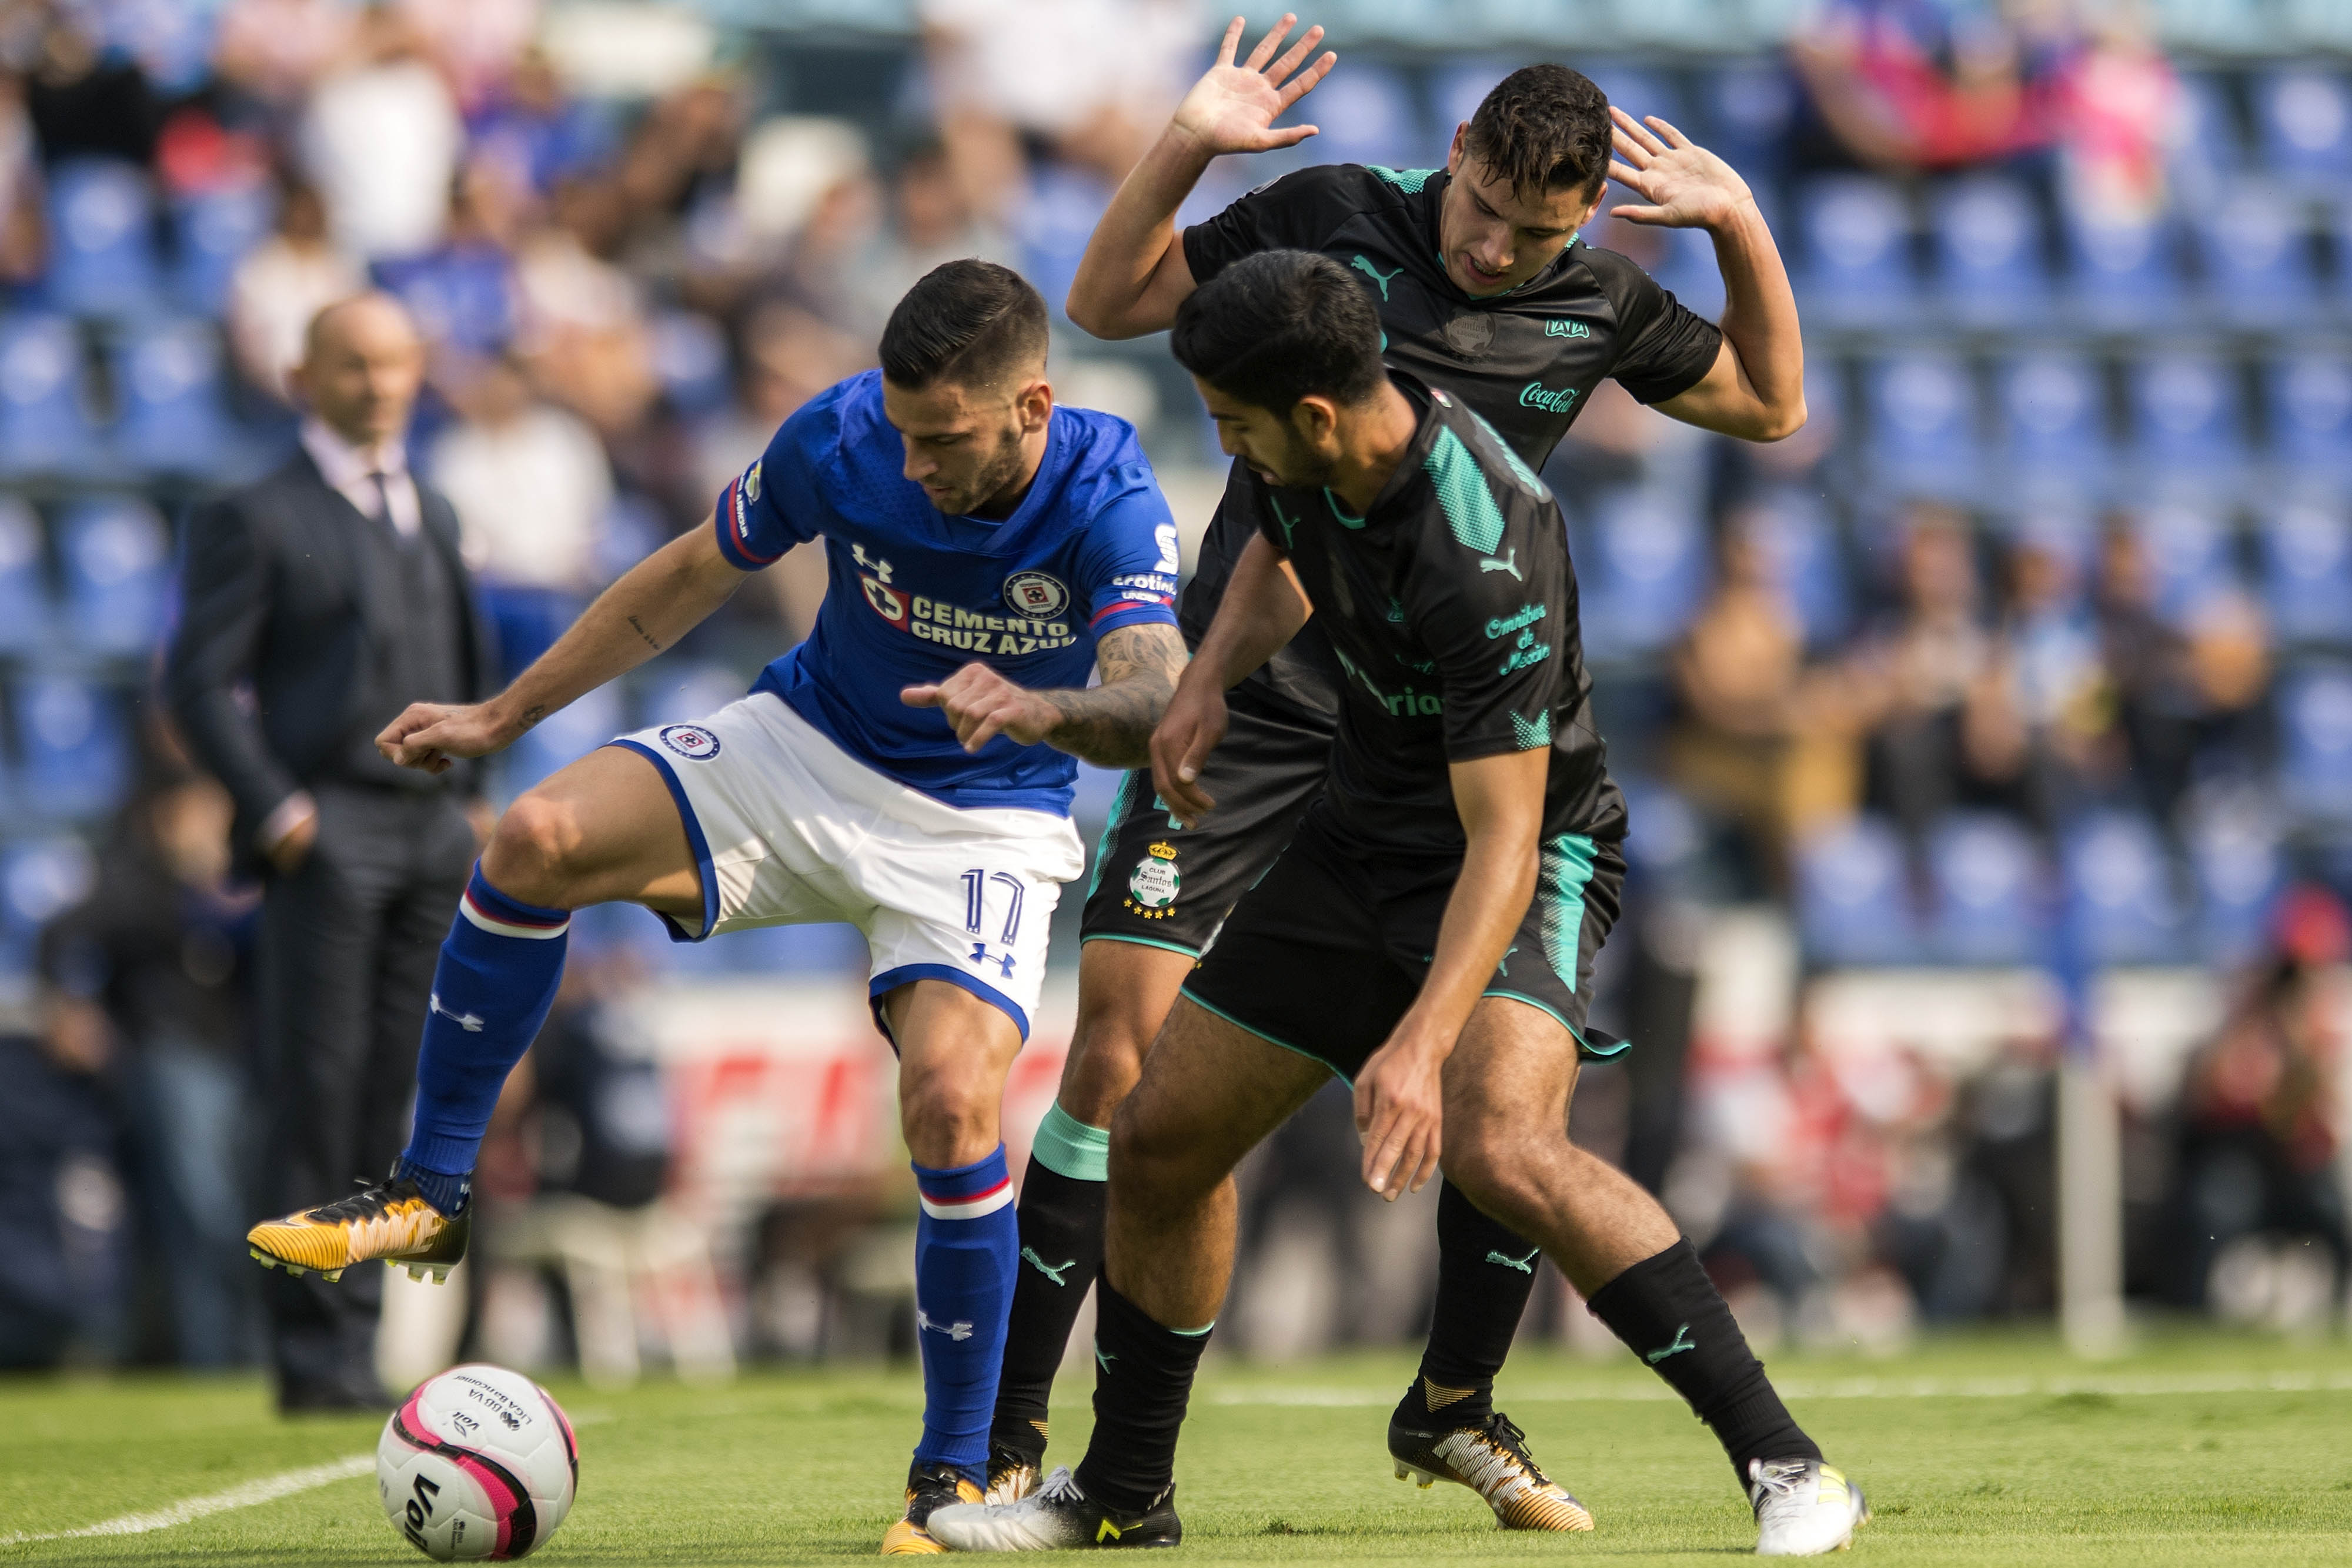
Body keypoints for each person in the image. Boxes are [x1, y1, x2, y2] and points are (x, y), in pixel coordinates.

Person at [980, 21, 1807, 1526]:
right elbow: (1106, 301)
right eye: (1481, 207)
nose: (1493, 250)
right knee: (1119, 1070)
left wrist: (1744, 224)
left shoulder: (1595, 301)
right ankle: (1019, 1444)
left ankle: (1456, 1403)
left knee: (1498, 1108)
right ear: (1460, 152)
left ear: (1578, 225)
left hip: (1443, 733)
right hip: (1250, 700)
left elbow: (1766, 406)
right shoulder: (1332, 219)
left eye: (1532, 231)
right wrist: (1186, 139)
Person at [242, 260, 1190, 1554]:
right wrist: (502, 714)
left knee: (956, 1102)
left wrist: (1044, 707)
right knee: (534, 836)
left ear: (1032, 401)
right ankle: (430, 1187)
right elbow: (687, 573)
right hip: (803, 743)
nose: (913, 468)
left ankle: (952, 1472)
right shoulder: (841, 436)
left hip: (983, 815)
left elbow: (1155, 698)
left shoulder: (1109, 495)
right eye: (902, 435)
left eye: (945, 440)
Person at [165, 292, 496, 1412]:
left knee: (394, 1099)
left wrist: (480, 800)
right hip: (328, 834)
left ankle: (360, 1344)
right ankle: (314, 1361)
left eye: (399, 363)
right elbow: (195, 681)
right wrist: (277, 810)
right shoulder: (254, 513)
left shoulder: (434, 508)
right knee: (315, 1092)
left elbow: (467, 659)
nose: (381, 384)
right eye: (356, 365)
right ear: (305, 376)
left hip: (427, 834)